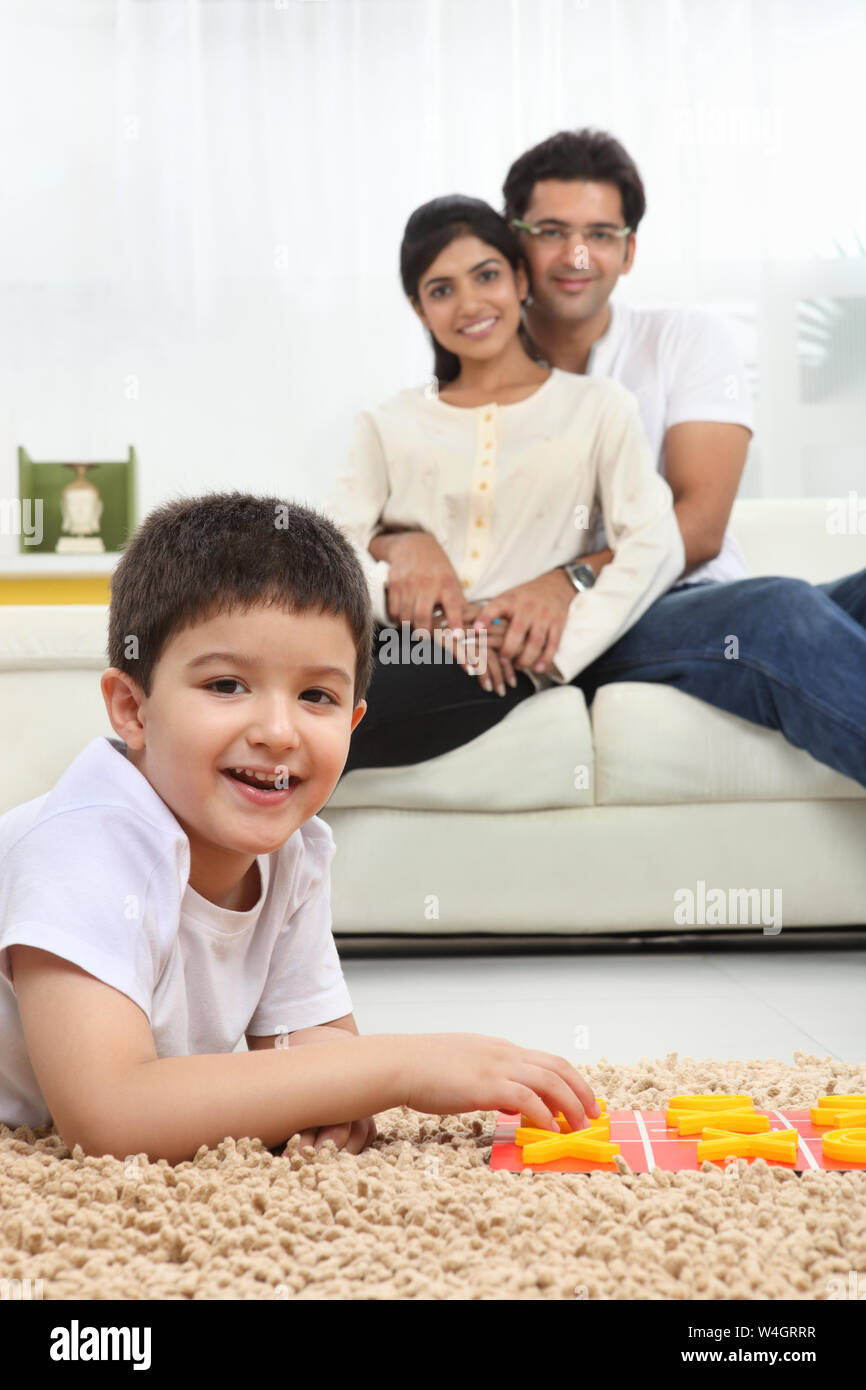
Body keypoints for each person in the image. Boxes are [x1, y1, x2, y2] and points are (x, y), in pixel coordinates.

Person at [0, 493, 600, 1163]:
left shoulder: (294, 854)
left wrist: (332, 1102)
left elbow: (311, 1046)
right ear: (133, 710)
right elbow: (110, 1114)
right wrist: (400, 1067)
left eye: (317, 696)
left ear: (352, 724)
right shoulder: (83, 846)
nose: (279, 732)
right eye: (227, 685)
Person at [350, 129, 866, 787]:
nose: (577, 255)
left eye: (601, 234)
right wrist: (404, 543)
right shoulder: (475, 369)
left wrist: (567, 579)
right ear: (514, 244)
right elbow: (392, 508)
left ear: (629, 250)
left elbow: (698, 526)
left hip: (686, 602)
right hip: (598, 633)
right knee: (781, 617)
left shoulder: (685, 339)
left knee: (785, 609)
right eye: (551, 231)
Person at [328, 195, 686, 769]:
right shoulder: (387, 421)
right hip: (388, 639)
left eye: (486, 275)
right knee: (270, 683)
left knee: (321, 714)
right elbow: (333, 544)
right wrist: (420, 610)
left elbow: (656, 542)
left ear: (520, 279)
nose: (469, 303)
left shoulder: (597, 408)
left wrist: (548, 650)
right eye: (441, 290)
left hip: (502, 657)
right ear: (421, 310)